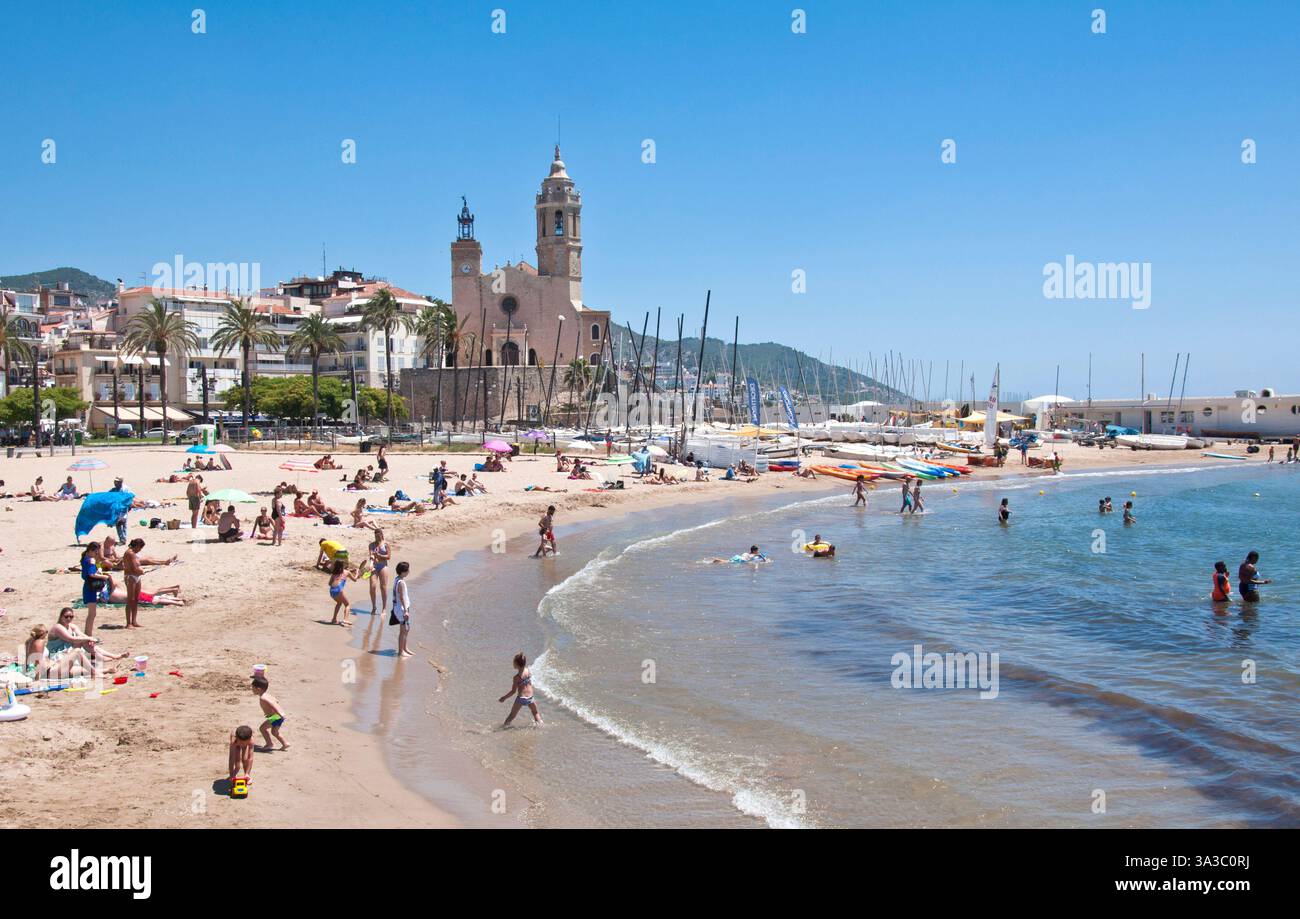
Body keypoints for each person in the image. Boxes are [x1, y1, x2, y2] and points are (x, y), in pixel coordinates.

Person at [122, 539, 176, 629]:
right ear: (137, 545)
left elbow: (145, 562)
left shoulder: (135, 553)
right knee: (130, 600)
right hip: (130, 577)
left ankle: (134, 621)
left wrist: (163, 563)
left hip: (137, 577)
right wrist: (141, 571)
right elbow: (135, 568)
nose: (140, 550)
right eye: (140, 548)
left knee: (136, 599)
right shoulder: (130, 553)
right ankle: (128, 623)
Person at [499, 652, 542, 726]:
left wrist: (504, 698)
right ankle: (541, 724)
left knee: (512, 715)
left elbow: (513, 691)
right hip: (530, 697)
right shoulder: (528, 671)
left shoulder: (516, 677)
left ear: (516, 665)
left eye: (514, 662)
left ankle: (503, 727)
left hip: (521, 698)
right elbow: (530, 682)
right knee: (535, 712)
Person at [79, 542, 113, 636]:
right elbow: (91, 574)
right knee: (92, 614)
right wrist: (104, 577)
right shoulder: (90, 560)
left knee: (92, 614)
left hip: (88, 587)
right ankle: (88, 635)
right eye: (96, 552)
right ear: (92, 550)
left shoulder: (86, 558)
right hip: (90, 588)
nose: (97, 554)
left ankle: (88, 634)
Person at [251, 676, 288, 751]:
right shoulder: (267, 695)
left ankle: (269, 744)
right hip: (278, 716)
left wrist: (278, 713)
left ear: (258, 689)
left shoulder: (263, 698)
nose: (252, 690)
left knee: (262, 728)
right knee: (274, 732)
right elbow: (276, 701)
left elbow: (273, 704)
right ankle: (285, 743)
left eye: (253, 688)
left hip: (276, 716)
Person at [390, 561, 413, 658]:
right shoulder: (401, 583)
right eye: (408, 570)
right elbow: (402, 597)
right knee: (403, 630)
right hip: (401, 609)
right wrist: (406, 611)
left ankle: (404, 648)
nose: (409, 571)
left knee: (407, 629)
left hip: (400, 607)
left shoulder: (397, 579)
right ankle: (401, 651)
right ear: (403, 572)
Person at [328, 558, 358, 626]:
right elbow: (355, 579)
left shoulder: (334, 573)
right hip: (339, 590)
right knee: (347, 604)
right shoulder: (347, 572)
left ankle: (334, 619)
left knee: (339, 603)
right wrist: (357, 573)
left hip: (332, 591)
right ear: (343, 566)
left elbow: (329, 583)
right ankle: (345, 620)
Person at [369, 530, 391, 614]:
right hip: (374, 566)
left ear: (382, 535)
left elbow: (388, 556)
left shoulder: (386, 544)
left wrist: (380, 556)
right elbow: (371, 555)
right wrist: (371, 563)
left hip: (383, 566)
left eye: (378, 536)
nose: (377, 537)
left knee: (383, 587)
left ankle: (384, 608)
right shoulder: (371, 545)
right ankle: (374, 606)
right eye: (376, 536)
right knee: (372, 586)